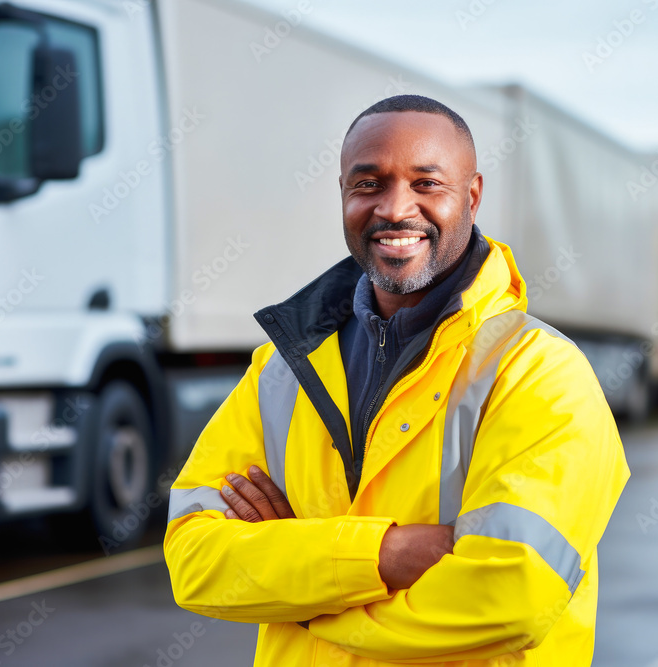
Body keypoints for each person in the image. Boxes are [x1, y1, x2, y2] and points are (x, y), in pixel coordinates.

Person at [164, 94, 630, 666]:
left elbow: (511, 598)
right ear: (342, 194)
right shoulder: (281, 371)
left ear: (473, 195)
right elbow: (193, 561)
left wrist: (308, 599)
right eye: (369, 184)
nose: (395, 209)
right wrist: (381, 556)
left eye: (426, 183)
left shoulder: (539, 373)